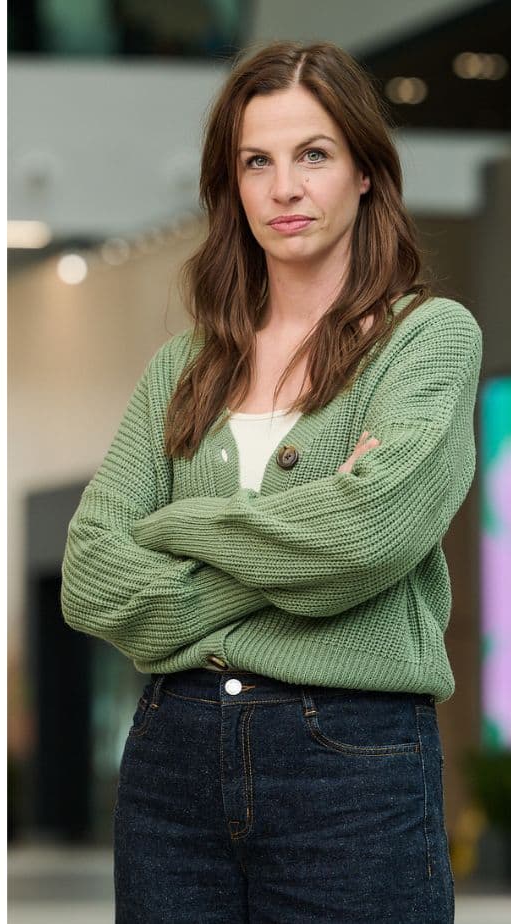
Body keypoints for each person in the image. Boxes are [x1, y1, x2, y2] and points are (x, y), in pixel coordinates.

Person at [62, 41, 476, 922]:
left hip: (351, 761)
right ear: (233, 185)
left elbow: (364, 541)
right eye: (258, 162)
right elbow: (92, 577)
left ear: (365, 172)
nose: (284, 188)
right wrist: (300, 538)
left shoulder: (426, 339)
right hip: (173, 757)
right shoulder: (181, 367)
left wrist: (174, 526)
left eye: (313, 155)